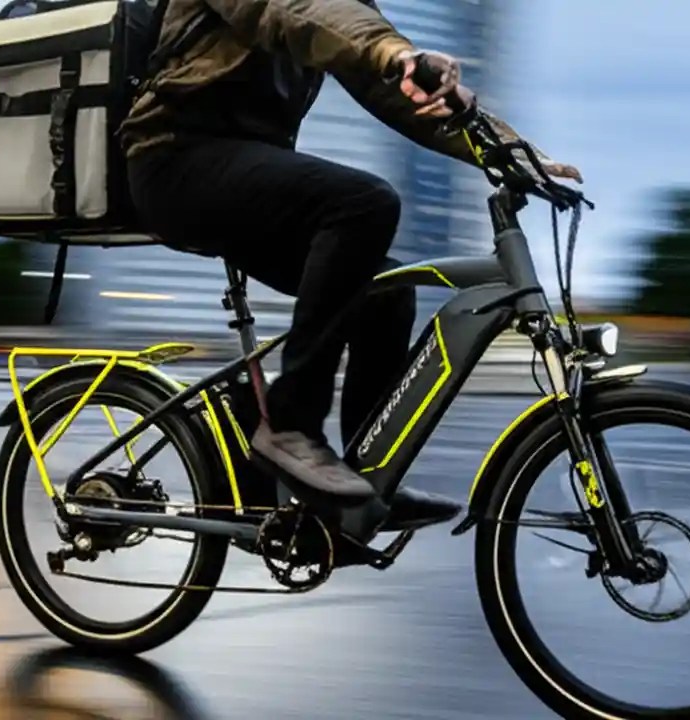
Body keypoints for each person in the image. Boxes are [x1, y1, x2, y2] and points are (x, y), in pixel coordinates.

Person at [119, 0, 580, 528]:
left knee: (385, 288)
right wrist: (393, 51)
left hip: (237, 174)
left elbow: (393, 87)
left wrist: (513, 153)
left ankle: (368, 478)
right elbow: (291, 11)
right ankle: (290, 426)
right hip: (172, 159)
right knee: (364, 203)